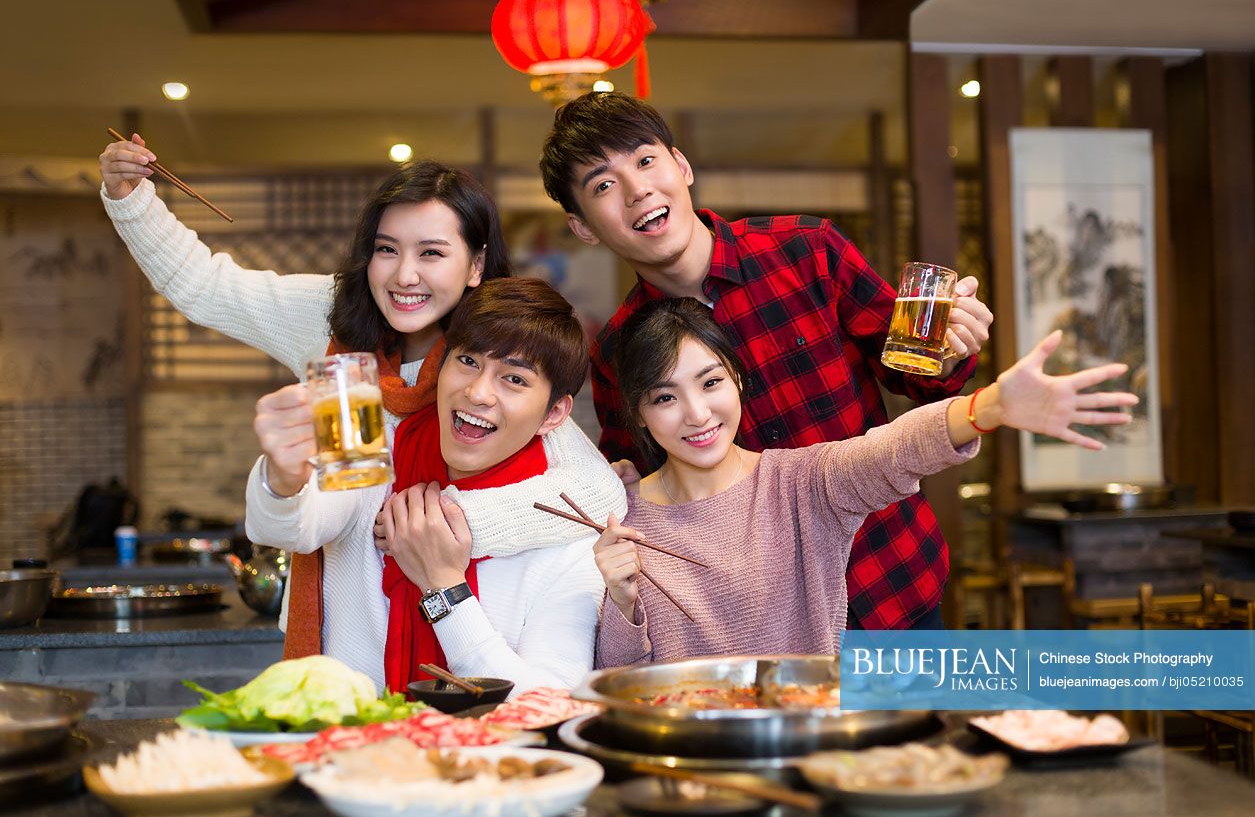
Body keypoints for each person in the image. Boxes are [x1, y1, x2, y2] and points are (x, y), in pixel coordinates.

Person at [98, 141, 624, 653]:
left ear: (475, 265)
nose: (405, 276)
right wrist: (130, 199)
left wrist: (440, 526)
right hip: (343, 640)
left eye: (432, 253)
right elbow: (206, 287)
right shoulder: (342, 353)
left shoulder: (491, 356)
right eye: (386, 249)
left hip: (462, 635)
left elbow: (594, 496)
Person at [539, 91, 994, 631]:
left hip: (891, 576)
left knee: (920, 719)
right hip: (764, 615)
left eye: (645, 160)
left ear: (680, 165)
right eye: (604, 185)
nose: (638, 190)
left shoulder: (807, 250)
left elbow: (918, 377)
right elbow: (648, 494)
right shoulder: (619, 350)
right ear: (583, 226)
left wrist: (948, 349)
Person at [592, 299, 1137, 667]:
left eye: (711, 382)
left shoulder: (799, 485)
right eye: (665, 397)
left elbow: (892, 449)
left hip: (809, 747)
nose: (696, 413)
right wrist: (620, 600)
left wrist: (992, 405)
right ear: (638, 414)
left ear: (737, 381)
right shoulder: (620, 517)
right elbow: (620, 681)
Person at [247, 278, 609, 694]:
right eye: (468, 362)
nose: (477, 392)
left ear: (554, 413)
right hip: (355, 747)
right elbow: (291, 527)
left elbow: (546, 700)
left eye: (514, 379)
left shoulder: (570, 541)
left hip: (490, 758)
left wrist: (442, 586)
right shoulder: (374, 441)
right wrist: (284, 474)